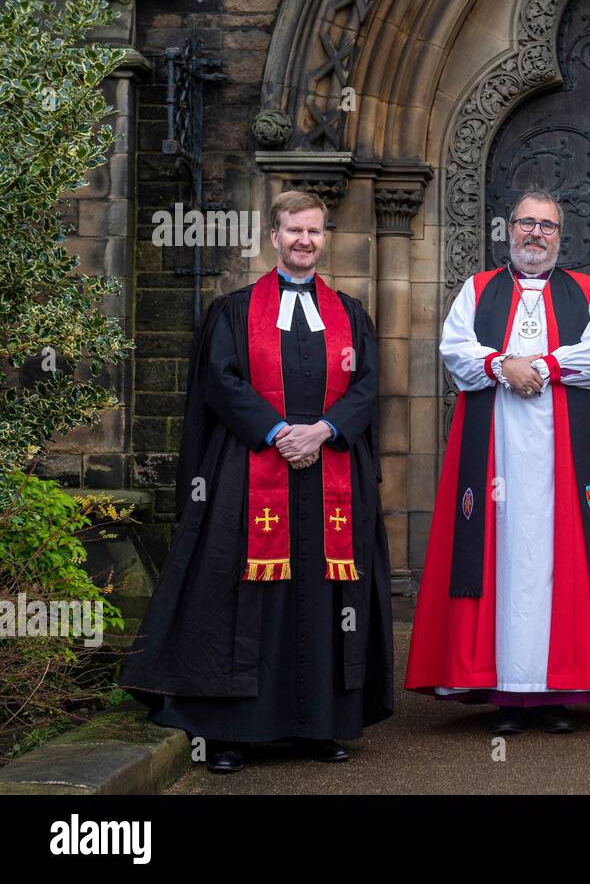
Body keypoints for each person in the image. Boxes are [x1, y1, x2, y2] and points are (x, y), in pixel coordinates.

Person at [120, 190, 394, 773]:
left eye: (315, 231)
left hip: (331, 475)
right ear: (273, 236)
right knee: (240, 593)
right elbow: (220, 383)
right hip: (248, 475)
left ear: (325, 237)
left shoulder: (350, 313)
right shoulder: (235, 311)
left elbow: (369, 387)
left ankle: (321, 725)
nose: (304, 240)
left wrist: (322, 431)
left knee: (326, 595)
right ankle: (232, 730)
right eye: (294, 230)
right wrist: (275, 433)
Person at [405, 189, 590, 734]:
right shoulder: (476, 291)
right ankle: (505, 695)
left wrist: (539, 365)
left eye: (547, 226)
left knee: (561, 557)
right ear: (509, 230)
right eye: (526, 224)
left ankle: (556, 693)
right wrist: (502, 365)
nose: (535, 234)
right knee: (498, 555)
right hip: (492, 450)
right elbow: (454, 350)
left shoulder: (588, 293)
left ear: (559, 237)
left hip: (566, 454)